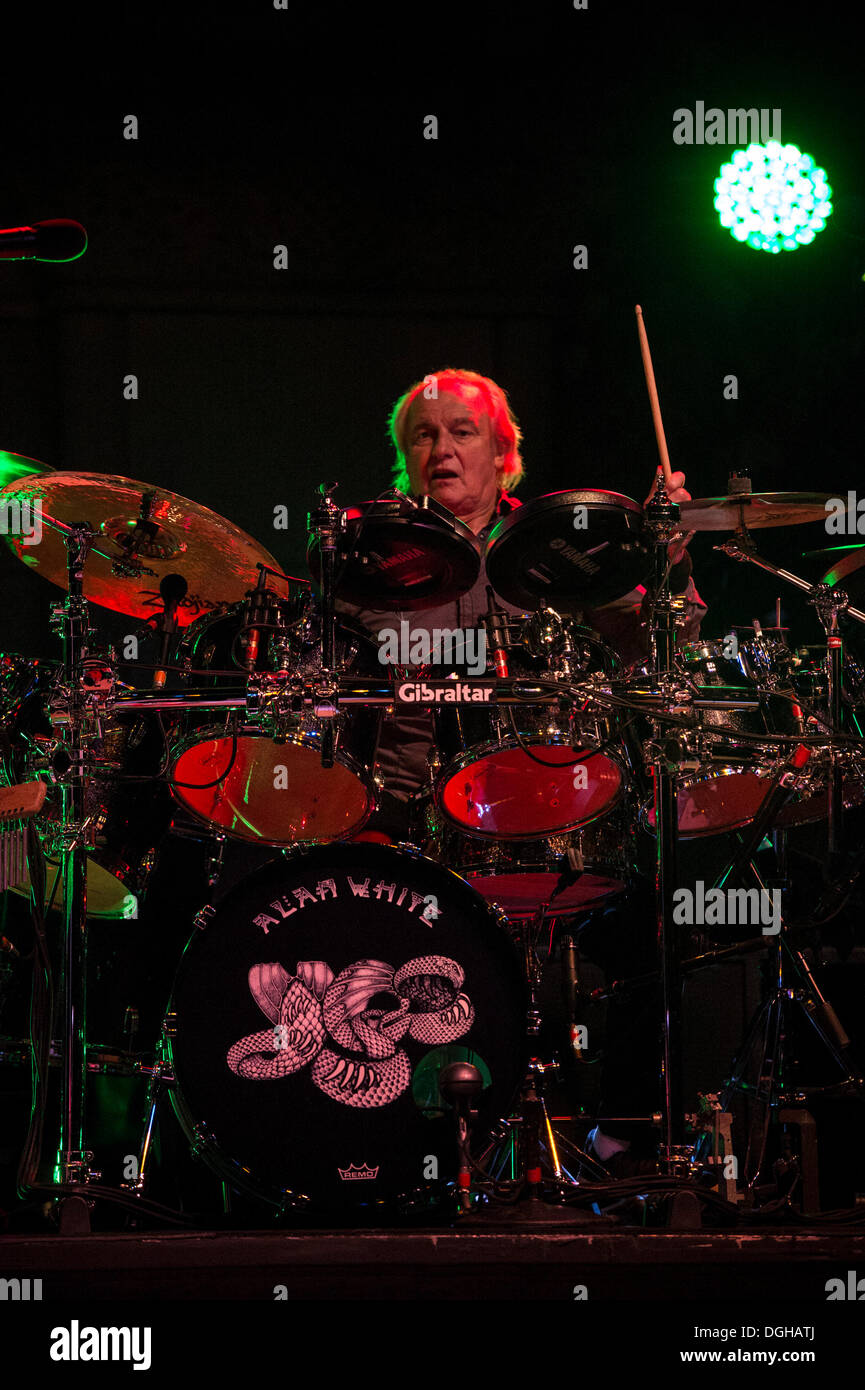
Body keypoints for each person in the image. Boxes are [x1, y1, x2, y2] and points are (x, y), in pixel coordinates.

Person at [338, 366, 706, 1171]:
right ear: (405, 458)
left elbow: (659, 650)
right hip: (417, 827)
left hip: (564, 822)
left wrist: (666, 555)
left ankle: (624, 1135)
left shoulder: (565, 554)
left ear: (505, 456)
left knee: (658, 929)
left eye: (461, 432)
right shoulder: (370, 572)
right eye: (423, 436)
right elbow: (325, 713)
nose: (441, 448)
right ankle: (418, 1151)